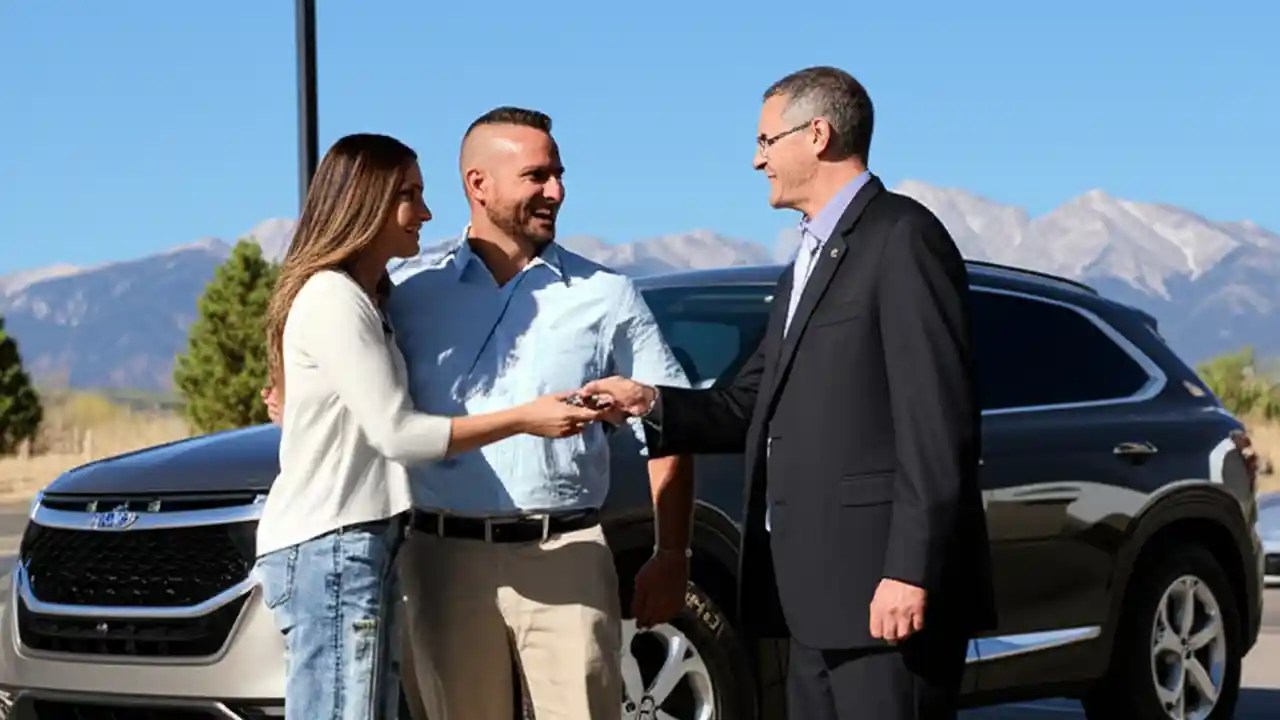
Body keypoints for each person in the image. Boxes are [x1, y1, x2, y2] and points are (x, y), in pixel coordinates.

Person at [581, 67, 997, 720]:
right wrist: (649, 403)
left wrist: (910, 571)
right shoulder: (808, 257)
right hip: (811, 602)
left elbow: (936, 424)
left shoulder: (902, 238)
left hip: (883, 598)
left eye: (767, 140)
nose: (757, 159)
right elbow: (745, 406)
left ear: (818, 134)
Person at [252, 132, 608, 720]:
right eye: (409, 195)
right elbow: (398, 434)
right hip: (335, 550)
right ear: (363, 203)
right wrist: (524, 418)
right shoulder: (334, 299)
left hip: (359, 547)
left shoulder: (367, 300)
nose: (426, 211)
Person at [383, 107, 695, 720]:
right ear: (478, 184)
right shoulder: (410, 292)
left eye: (558, 175)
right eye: (535, 176)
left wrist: (672, 553)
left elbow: (671, 424)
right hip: (439, 562)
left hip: (568, 558)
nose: (555, 191)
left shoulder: (606, 295)